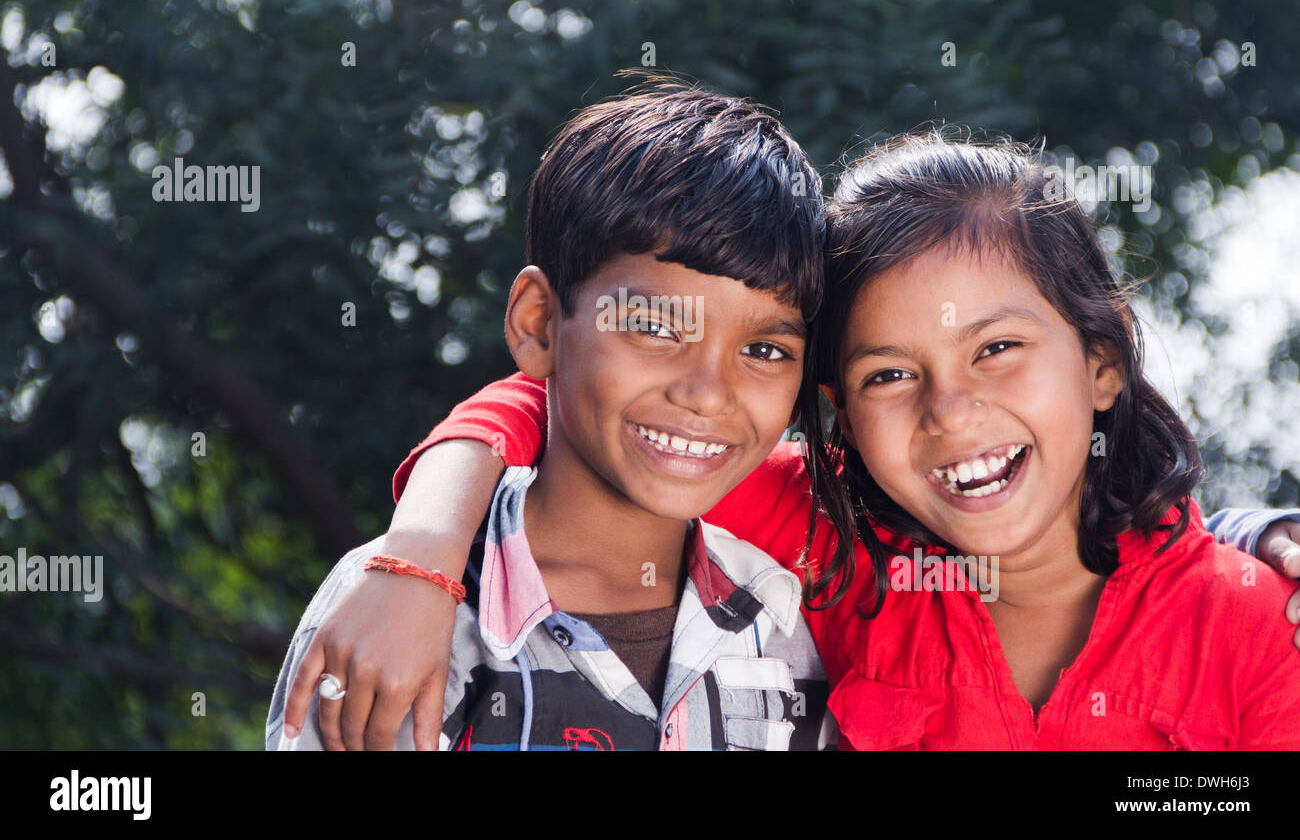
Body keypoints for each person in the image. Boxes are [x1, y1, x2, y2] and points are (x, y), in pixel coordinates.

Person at [285, 128, 1300, 750]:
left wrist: (1246, 534)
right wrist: (419, 550)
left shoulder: (1257, 622)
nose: (950, 411)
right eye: (888, 375)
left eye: (997, 348)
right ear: (838, 417)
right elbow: (561, 416)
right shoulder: (832, 546)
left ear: (1104, 359)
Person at [267, 77, 834, 750]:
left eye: (765, 348)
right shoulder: (407, 612)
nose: (709, 393)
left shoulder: (778, 617)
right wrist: (423, 555)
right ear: (539, 324)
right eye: (654, 326)